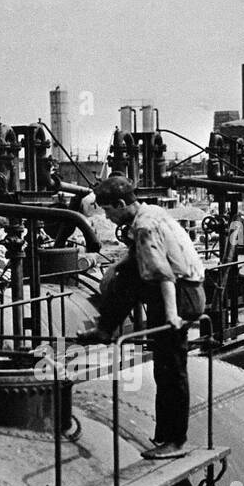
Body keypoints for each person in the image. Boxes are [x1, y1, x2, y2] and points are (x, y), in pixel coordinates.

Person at [78, 175, 207, 460]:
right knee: (125, 275)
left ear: (122, 204)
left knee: (169, 368)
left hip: (180, 295)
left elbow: (164, 274)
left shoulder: (145, 226)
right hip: (186, 288)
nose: (107, 217)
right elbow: (139, 256)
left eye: (108, 210)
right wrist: (115, 267)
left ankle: (173, 441)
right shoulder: (151, 211)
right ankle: (105, 329)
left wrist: (171, 315)